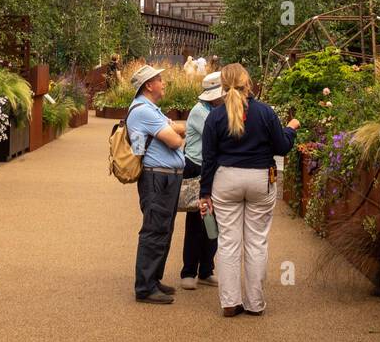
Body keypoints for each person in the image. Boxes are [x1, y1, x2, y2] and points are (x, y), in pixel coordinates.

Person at [198, 63, 300, 317]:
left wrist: (204, 193)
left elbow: (208, 158)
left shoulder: (216, 116)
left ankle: (230, 302)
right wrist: (291, 128)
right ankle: (255, 303)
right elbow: (282, 146)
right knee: (256, 242)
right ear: (249, 83)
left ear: (223, 85)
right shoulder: (265, 112)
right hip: (260, 179)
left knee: (228, 242)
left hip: (225, 180)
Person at [126, 64, 187, 304]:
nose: (164, 83)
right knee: (155, 229)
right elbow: (174, 141)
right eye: (160, 79)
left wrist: (174, 129)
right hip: (157, 178)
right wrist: (174, 131)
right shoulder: (144, 111)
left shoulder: (151, 109)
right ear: (149, 85)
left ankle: (153, 280)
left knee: (164, 228)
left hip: (163, 176)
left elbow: (177, 129)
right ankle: (145, 287)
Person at [179, 71, 222, 289]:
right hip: (197, 168)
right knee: (197, 221)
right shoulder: (200, 111)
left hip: (213, 169)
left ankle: (206, 269)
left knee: (214, 222)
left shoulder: (217, 109)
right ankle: (188, 271)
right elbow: (219, 136)